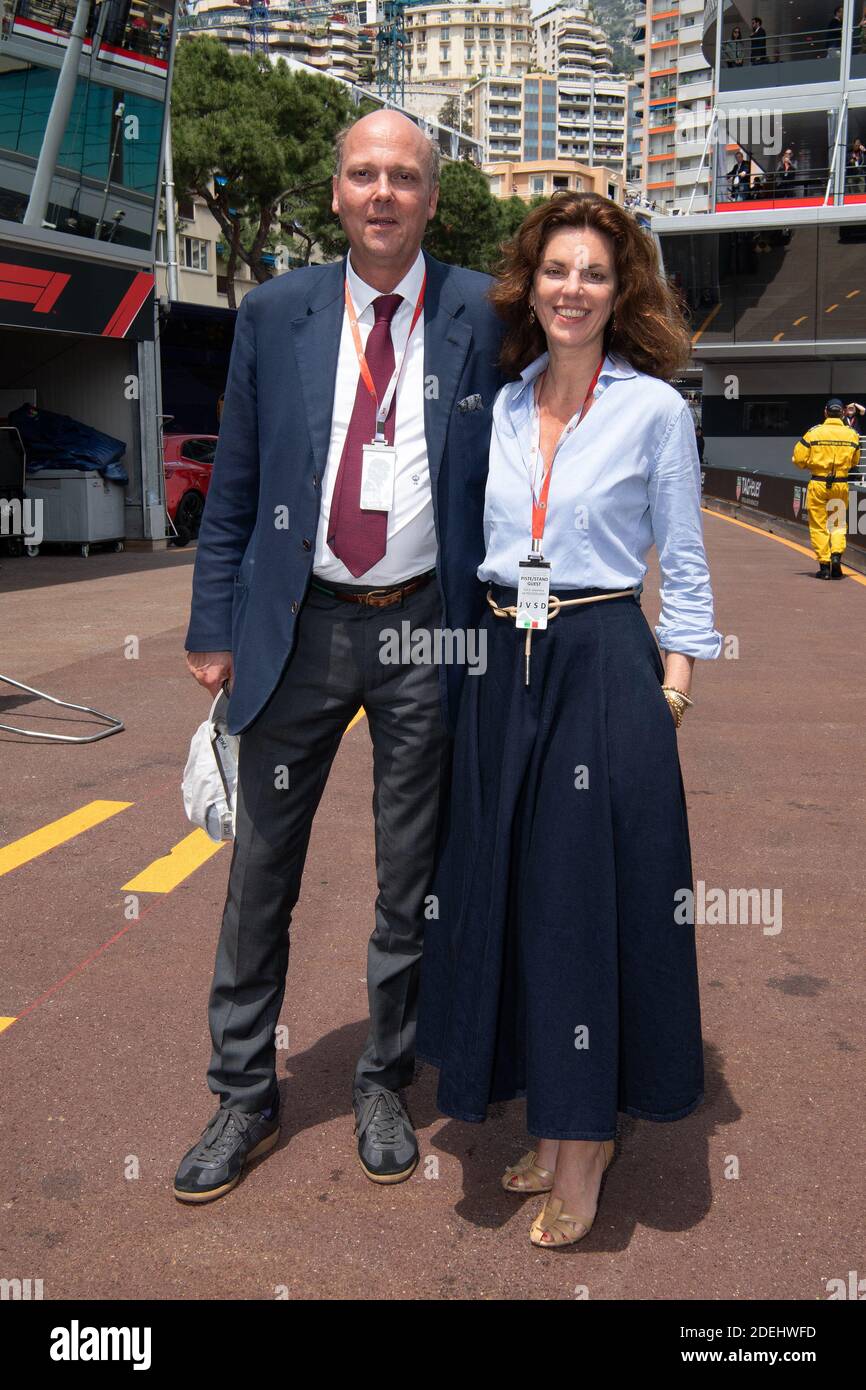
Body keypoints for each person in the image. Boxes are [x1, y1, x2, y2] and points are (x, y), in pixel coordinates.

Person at [173, 110, 506, 1203]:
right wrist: (212, 626)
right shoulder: (274, 312)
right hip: (299, 625)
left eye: (402, 177)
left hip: (427, 626)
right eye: (361, 173)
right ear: (333, 193)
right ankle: (240, 1093)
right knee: (259, 871)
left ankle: (381, 1078)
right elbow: (232, 487)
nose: (380, 193)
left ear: (431, 199)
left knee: (409, 876)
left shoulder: (478, 309)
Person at [416, 191, 722, 1250]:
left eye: (594, 272)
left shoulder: (652, 412)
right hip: (506, 661)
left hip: (599, 662)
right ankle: (554, 1115)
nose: (572, 289)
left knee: (584, 909)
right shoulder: (498, 406)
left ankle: (583, 1149)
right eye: (556, 270)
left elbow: (681, 567)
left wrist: (672, 688)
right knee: (509, 897)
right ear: (529, 282)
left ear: (619, 289)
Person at [792, 397, 861, 578]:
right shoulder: (851, 434)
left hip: (818, 483)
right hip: (840, 484)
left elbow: (798, 460)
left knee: (819, 525)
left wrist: (812, 465)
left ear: (825, 412)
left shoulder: (814, 433)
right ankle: (836, 556)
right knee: (837, 523)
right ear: (843, 413)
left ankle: (824, 566)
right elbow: (855, 461)